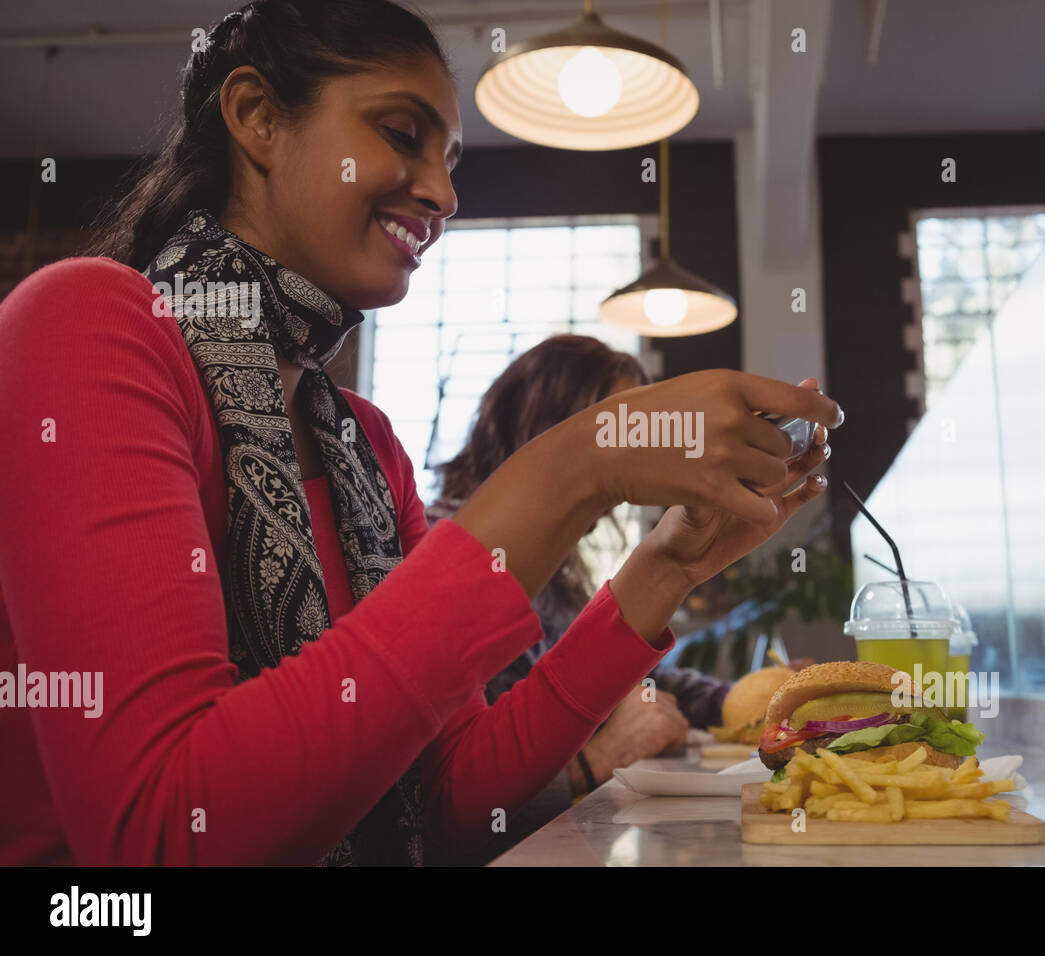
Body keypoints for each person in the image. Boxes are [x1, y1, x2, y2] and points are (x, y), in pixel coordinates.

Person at [0, 0, 840, 866]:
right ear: (256, 116)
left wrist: (667, 567)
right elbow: (165, 833)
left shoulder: (366, 447)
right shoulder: (85, 325)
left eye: (450, 160)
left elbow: (443, 808)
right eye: (401, 133)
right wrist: (577, 463)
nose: (442, 192)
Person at [430, 337, 797, 858]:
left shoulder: (558, 568)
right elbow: (440, 813)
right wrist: (594, 760)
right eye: (622, 440)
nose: (641, 466)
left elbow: (626, 678)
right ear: (549, 429)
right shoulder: (434, 546)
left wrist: (746, 702)